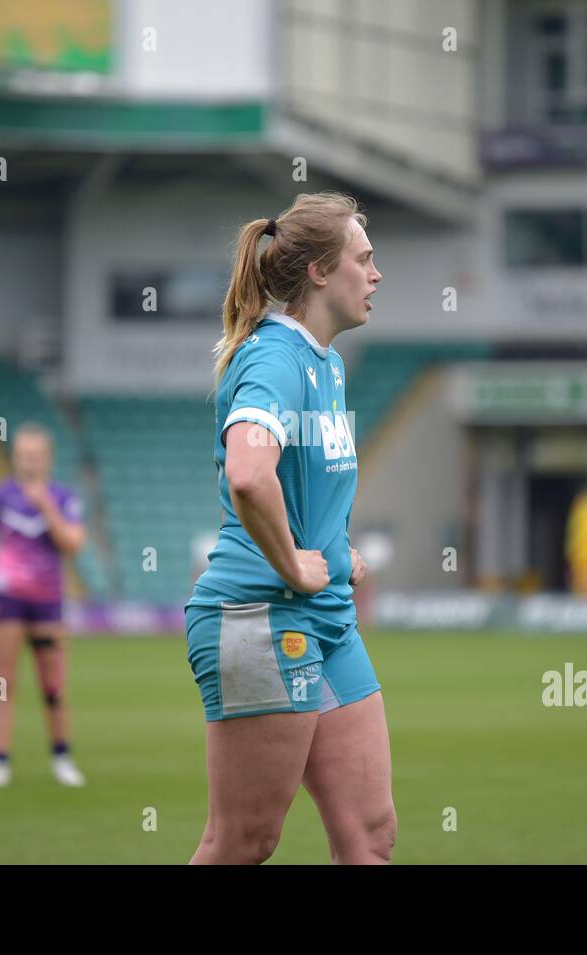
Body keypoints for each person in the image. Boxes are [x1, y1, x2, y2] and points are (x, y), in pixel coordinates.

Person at [183, 192, 394, 864]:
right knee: (244, 841)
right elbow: (249, 472)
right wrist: (293, 563)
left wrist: (335, 550)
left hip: (327, 616)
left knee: (371, 835)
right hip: (261, 616)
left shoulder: (326, 363)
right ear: (320, 274)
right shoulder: (276, 357)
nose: (377, 273)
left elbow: (303, 486)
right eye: (364, 259)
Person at [0, 423, 88, 789]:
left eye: (35, 456)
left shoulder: (64, 498)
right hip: (6, 598)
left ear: (48, 459)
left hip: (48, 601)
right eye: (22, 455)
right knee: (3, 681)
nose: (28, 462)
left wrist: (46, 508)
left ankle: (62, 756)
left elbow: (72, 544)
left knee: (53, 684)